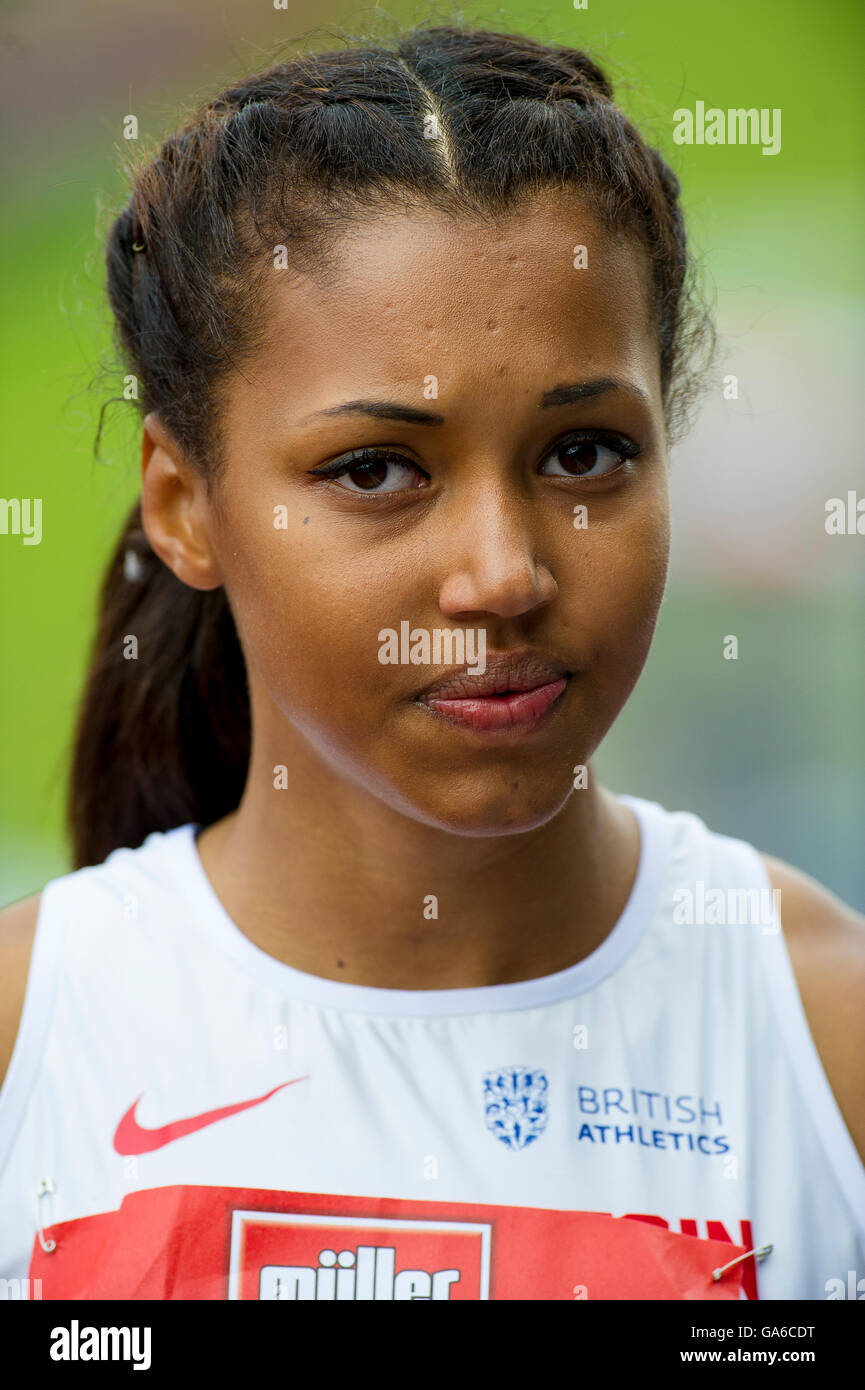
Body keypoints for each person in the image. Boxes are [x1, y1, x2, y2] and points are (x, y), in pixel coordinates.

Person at [0, 24, 862, 1302]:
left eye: (583, 454)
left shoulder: (823, 1038)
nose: (503, 573)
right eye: (375, 471)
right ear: (185, 506)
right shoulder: (30, 1040)